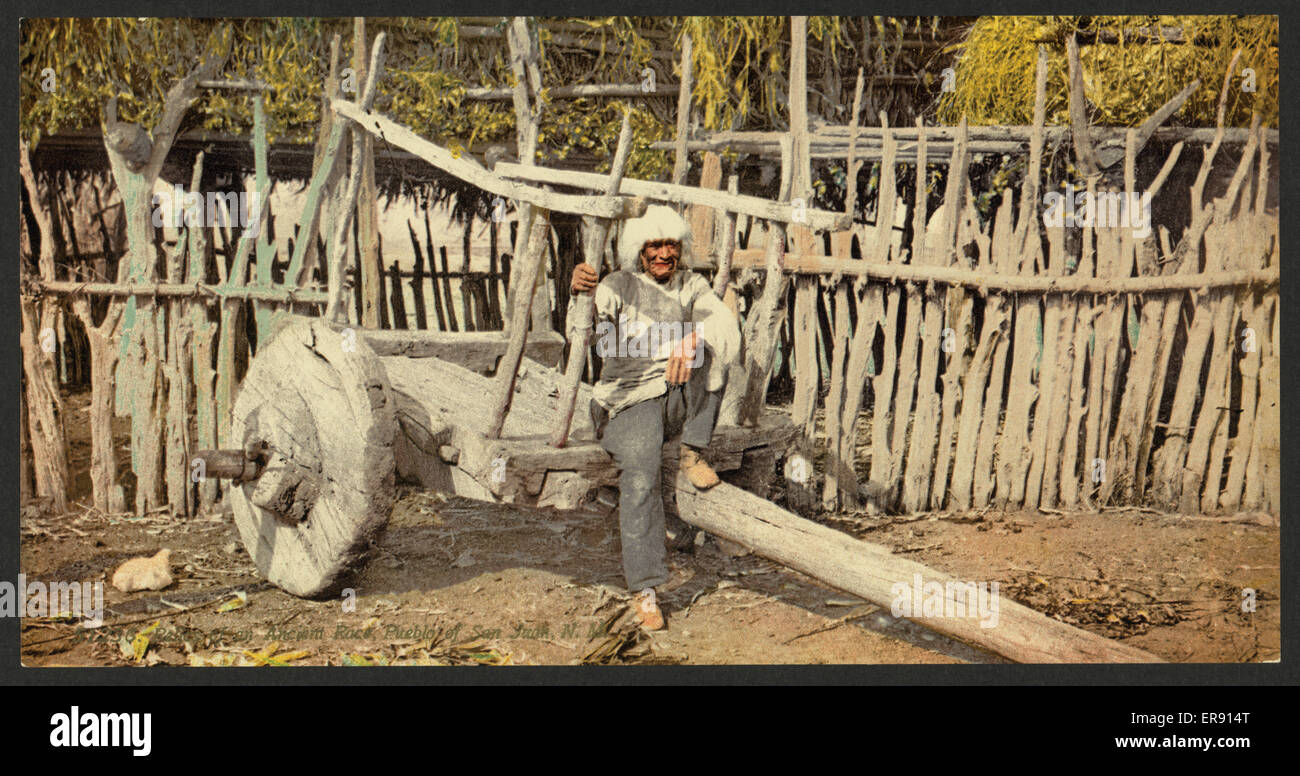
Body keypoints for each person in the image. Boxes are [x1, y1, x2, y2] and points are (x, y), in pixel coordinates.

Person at [567, 205, 740, 630]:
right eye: (653, 246)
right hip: (628, 401)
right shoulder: (617, 284)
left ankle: (692, 451)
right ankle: (645, 589)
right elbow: (583, 328)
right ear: (639, 251)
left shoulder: (692, 286)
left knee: (712, 346)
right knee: (642, 475)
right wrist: (579, 293)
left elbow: (725, 326)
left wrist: (691, 339)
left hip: (675, 399)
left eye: (670, 246)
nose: (663, 254)